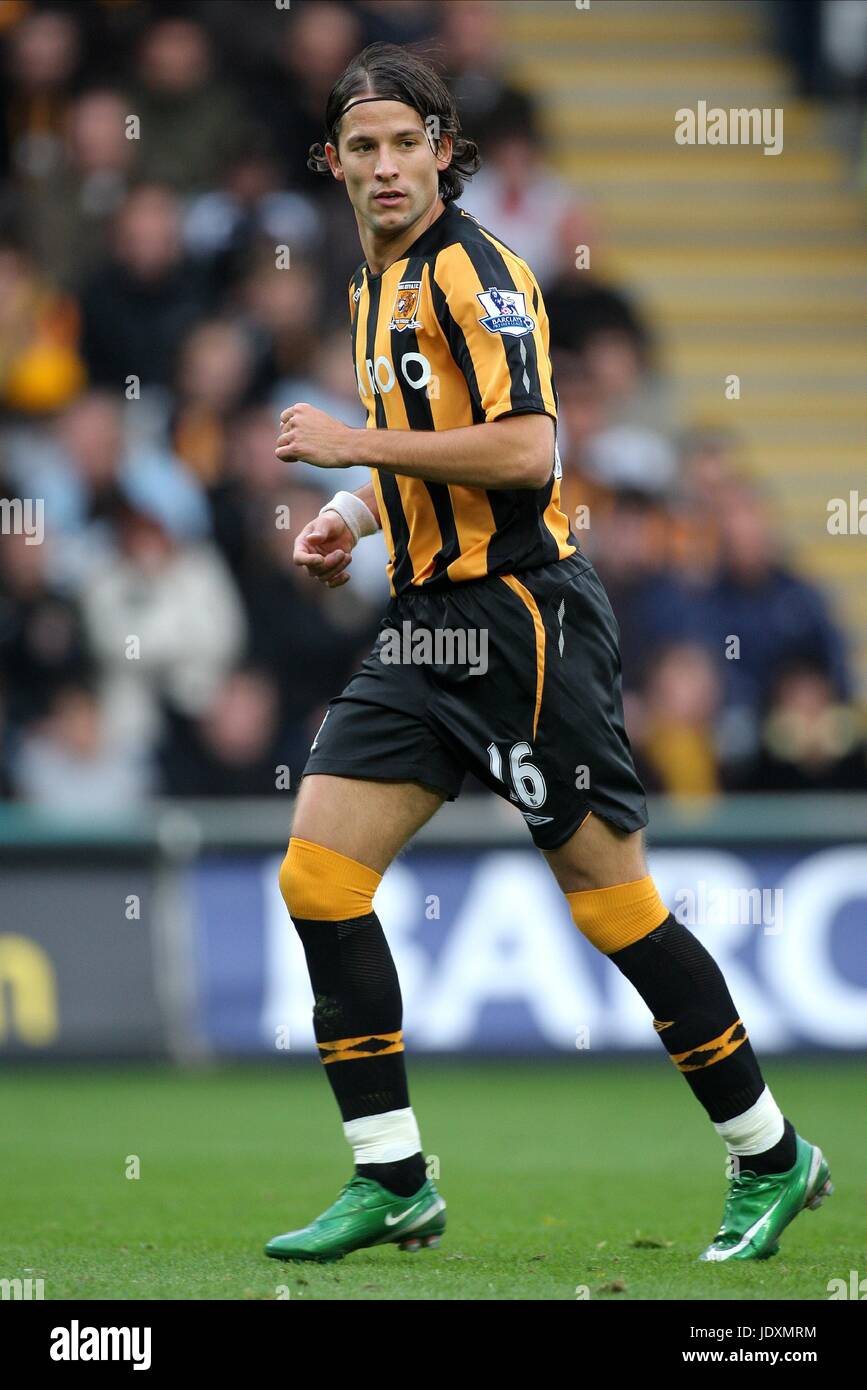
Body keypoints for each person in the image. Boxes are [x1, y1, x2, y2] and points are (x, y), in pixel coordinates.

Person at [264, 43, 831, 1266]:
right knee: (317, 879)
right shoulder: (373, 285)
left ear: (442, 151)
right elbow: (429, 443)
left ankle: (772, 1154)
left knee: (614, 904)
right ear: (335, 163)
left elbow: (526, 451)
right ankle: (392, 1177)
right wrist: (356, 513)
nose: (382, 167)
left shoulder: (478, 270)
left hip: (526, 622)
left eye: (403, 143)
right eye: (359, 147)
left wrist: (347, 442)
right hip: (428, 625)